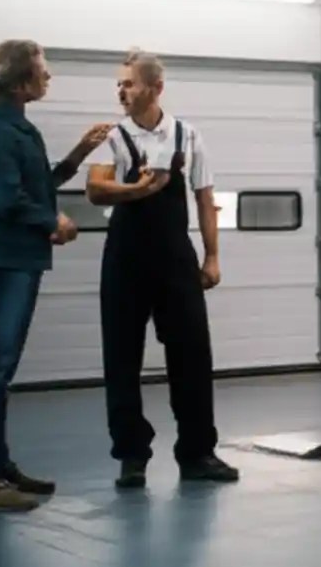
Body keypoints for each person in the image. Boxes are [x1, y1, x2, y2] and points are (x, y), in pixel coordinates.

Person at [0, 39, 112, 512]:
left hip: (19, 258)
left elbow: (36, 185)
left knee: (1, 368)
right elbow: (8, 199)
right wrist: (54, 223)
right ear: (21, 78)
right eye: (42, 70)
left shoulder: (17, 127)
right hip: (7, 259)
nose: (48, 77)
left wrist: (76, 155)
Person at [85, 49, 238, 488]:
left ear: (155, 88)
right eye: (118, 84)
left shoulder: (187, 136)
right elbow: (96, 189)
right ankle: (131, 455)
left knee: (191, 354)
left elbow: (205, 199)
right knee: (121, 356)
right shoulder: (114, 137)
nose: (121, 90)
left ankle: (197, 452)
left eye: (128, 83)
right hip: (125, 260)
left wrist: (212, 256)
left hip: (175, 258)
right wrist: (137, 189)